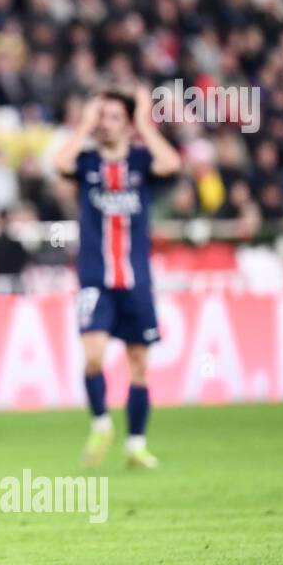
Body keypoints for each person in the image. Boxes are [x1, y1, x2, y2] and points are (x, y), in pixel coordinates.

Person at [52, 87, 181, 469]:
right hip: (95, 280)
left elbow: (171, 164)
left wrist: (144, 123)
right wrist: (84, 124)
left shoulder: (141, 161)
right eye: (101, 116)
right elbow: (58, 162)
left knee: (138, 364)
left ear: (127, 124)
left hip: (136, 281)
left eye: (112, 117)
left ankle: (136, 446)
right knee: (93, 357)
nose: (104, 124)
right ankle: (101, 424)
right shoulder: (87, 161)